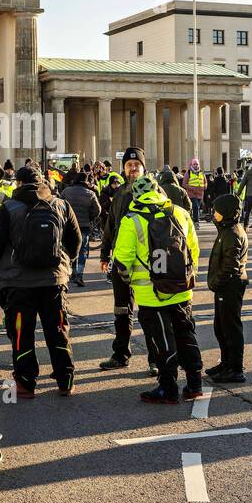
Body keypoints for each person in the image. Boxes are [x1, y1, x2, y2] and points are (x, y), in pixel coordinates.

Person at [112, 174, 203, 404]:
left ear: (136, 196)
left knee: (162, 340)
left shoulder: (132, 219)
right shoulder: (180, 213)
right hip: (182, 288)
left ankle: (168, 388)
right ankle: (195, 383)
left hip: (151, 294)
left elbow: (121, 259)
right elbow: (193, 249)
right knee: (186, 334)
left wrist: (130, 280)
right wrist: (189, 276)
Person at [0, 165, 81, 397]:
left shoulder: (8, 208)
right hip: (54, 279)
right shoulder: (60, 204)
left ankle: (26, 381)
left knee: (22, 332)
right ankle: (66, 379)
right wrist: (64, 262)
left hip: (18, 282)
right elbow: (76, 240)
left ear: (19, 183)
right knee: (58, 329)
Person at [98, 147, 153, 373]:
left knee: (150, 312)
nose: (132, 168)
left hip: (146, 262)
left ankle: (156, 358)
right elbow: (111, 226)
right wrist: (104, 254)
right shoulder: (120, 192)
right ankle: (121, 353)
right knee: (122, 310)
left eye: (136, 165)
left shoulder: (153, 191)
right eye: (129, 165)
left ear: (143, 167)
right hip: (122, 260)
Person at [206, 190, 248, 384]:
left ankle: (235, 368)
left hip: (230, 286)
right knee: (220, 327)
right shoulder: (226, 229)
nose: (214, 214)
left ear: (226, 212)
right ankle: (226, 362)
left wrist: (216, 282)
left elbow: (231, 266)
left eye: (217, 211)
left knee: (230, 328)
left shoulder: (232, 233)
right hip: (224, 286)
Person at [59, 167, 101, 288]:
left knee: (69, 249)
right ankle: (80, 275)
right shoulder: (90, 193)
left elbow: (60, 205)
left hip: (68, 226)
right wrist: (89, 217)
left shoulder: (67, 191)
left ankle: (71, 272)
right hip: (84, 226)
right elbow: (97, 210)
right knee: (82, 250)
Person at [185, 158, 207, 224]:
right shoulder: (188, 172)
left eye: (196, 164)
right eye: (194, 164)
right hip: (192, 194)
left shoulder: (202, 172)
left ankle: (192, 219)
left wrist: (205, 186)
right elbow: (184, 184)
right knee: (195, 206)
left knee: (196, 207)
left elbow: (205, 182)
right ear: (191, 165)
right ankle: (196, 221)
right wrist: (192, 188)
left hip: (200, 194)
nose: (195, 165)